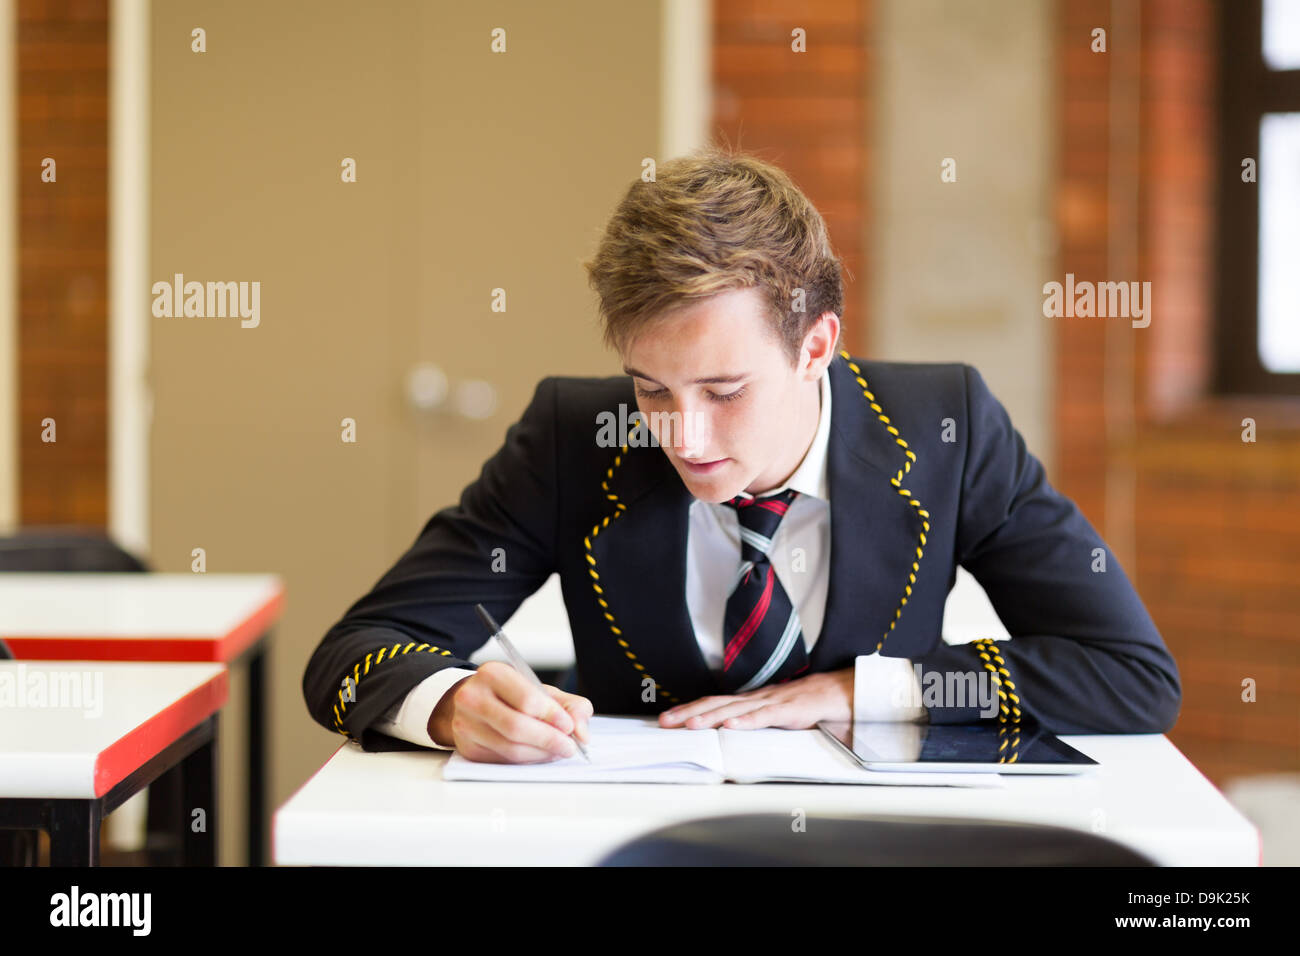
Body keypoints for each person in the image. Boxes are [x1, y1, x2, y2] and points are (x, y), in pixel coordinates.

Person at [302, 146, 1181, 764]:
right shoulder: (574, 434)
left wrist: (859, 690)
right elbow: (354, 653)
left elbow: (1129, 675)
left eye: (724, 392)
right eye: (651, 390)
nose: (683, 436)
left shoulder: (947, 425)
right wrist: (451, 707)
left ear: (816, 344)